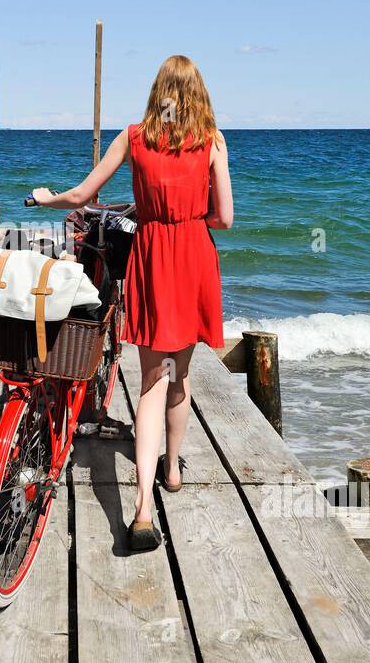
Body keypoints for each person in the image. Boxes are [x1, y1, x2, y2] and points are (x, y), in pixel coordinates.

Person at [31, 54, 232, 551]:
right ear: (199, 94)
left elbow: (81, 194)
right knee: (181, 377)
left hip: (151, 258)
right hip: (194, 259)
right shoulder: (212, 142)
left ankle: (141, 511)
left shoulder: (134, 136)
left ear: (157, 91)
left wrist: (45, 197)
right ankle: (171, 471)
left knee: (149, 383)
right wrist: (186, 210)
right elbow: (224, 218)